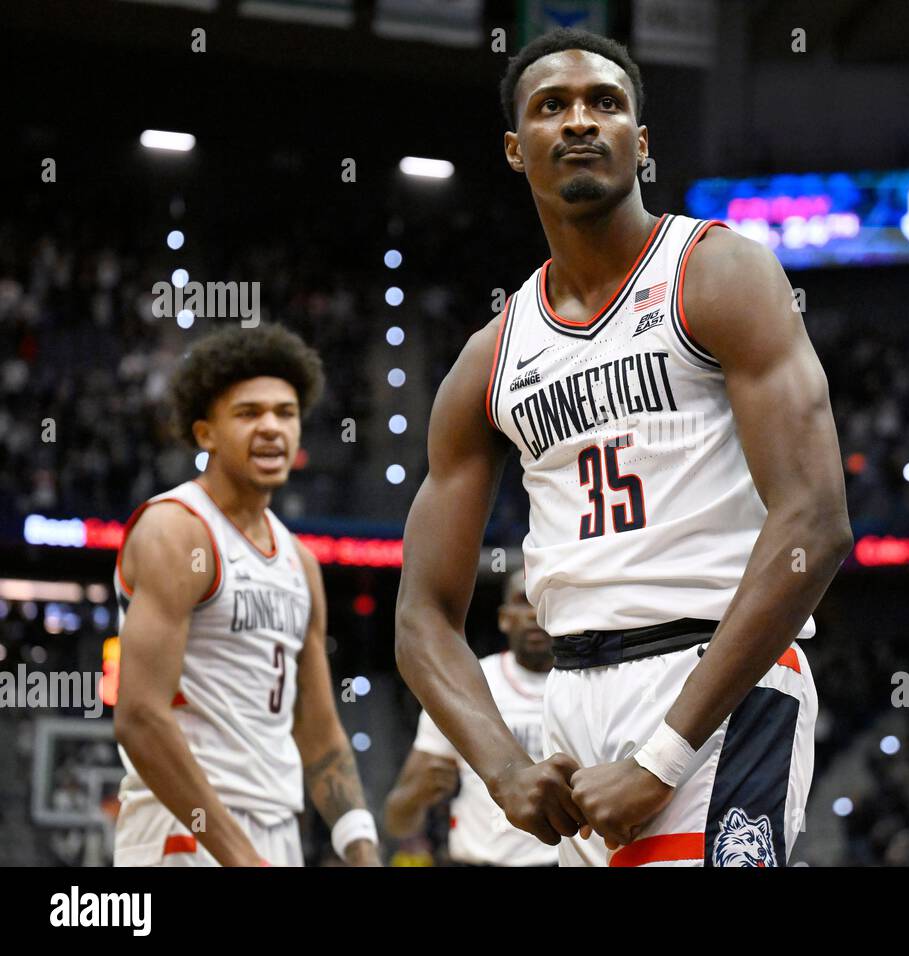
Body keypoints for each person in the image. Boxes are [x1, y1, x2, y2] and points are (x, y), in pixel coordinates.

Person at [394, 28, 851, 867]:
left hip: (719, 680)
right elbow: (422, 617)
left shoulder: (717, 272)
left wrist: (662, 756)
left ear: (640, 143)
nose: (580, 121)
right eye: (551, 107)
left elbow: (815, 524)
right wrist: (500, 767)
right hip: (571, 698)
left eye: (606, 104)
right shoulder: (489, 357)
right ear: (513, 147)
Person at [112, 324, 380, 867]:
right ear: (205, 433)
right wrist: (240, 857)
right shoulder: (178, 529)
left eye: (285, 412)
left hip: (276, 829)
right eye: (248, 413)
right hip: (185, 828)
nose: (271, 428)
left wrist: (361, 847)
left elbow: (320, 730)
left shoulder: (299, 561)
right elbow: (140, 715)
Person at [384, 570, 557, 866]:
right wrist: (416, 796)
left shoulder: (587, 687)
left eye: (542, 601)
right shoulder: (465, 686)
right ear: (504, 618)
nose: (533, 614)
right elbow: (396, 820)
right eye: (522, 602)